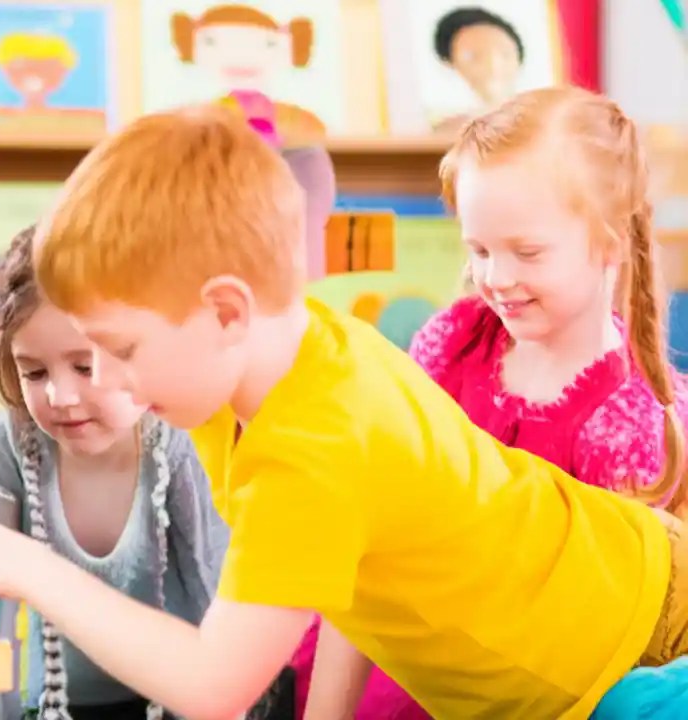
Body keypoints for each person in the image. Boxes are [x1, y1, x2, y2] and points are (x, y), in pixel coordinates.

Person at [0, 96, 688, 720]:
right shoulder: (281, 361)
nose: (111, 384)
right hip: (603, 601)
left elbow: (212, 686)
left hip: (634, 639)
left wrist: (27, 564)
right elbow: (351, 585)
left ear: (226, 313)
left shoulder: (313, 446)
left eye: (122, 350)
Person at [288, 83, 688, 720]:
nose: (495, 278)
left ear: (610, 242)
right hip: (373, 676)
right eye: (478, 250)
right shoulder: (451, 345)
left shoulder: (628, 425)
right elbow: (367, 546)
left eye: (526, 252)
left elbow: (593, 659)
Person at [0, 226, 229, 720]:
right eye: (34, 373)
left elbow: (220, 599)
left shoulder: (179, 443)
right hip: (57, 709)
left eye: (84, 367)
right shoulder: (7, 448)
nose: (61, 398)